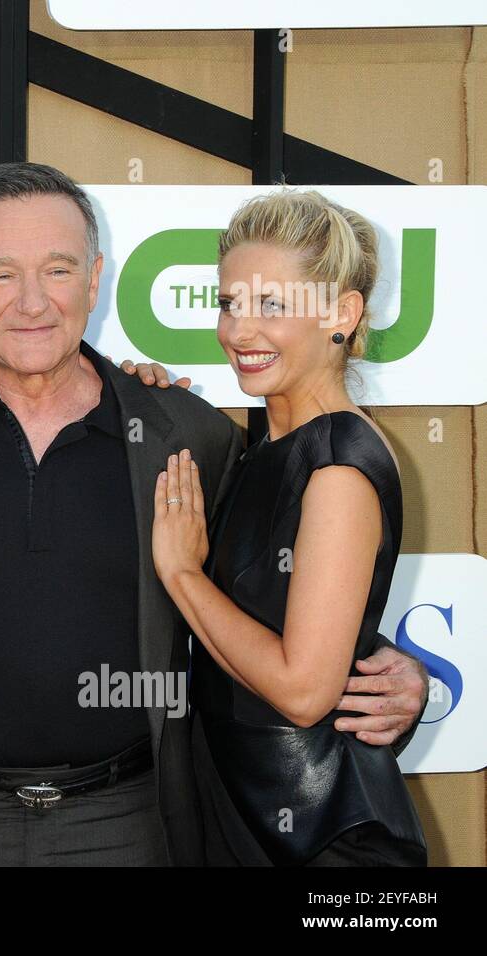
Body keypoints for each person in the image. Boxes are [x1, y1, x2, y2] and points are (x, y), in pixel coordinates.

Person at [0, 163, 428, 866]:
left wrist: (390, 670)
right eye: (0, 273)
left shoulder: (189, 436)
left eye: (57, 270)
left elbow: (282, 611)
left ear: (93, 280)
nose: (32, 302)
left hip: (135, 826)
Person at [151, 190, 427, 865]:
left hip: (325, 842)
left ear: (341, 313)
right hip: (248, 822)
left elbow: (304, 691)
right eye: (230, 303)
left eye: (273, 305)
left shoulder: (336, 463)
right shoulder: (265, 449)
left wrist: (184, 574)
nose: (240, 331)